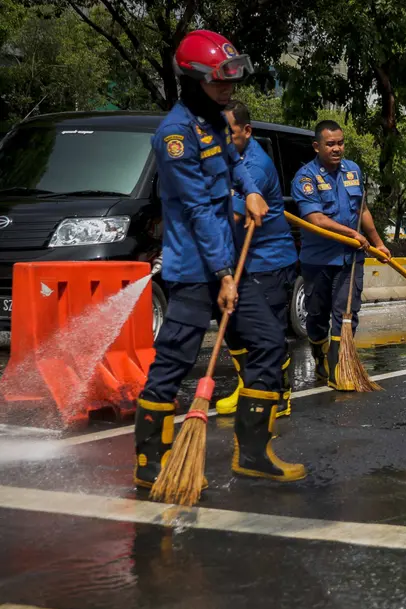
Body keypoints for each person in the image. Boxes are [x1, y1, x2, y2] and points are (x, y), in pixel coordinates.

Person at [134, 29, 305, 489]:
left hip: (229, 263)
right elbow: (197, 212)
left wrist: (250, 190)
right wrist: (225, 274)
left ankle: (252, 453)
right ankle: (151, 466)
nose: (228, 89)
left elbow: (235, 163)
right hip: (195, 270)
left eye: (231, 82)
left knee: (269, 345)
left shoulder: (213, 122)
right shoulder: (174, 136)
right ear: (192, 81)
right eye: (218, 82)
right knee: (173, 361)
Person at [214, 100, 299, 420]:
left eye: (229, 133)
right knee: (234, 329)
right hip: (238, 263)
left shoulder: (255, 167)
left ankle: (279, 395)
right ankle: (247, 386)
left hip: (268, 262)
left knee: (269, 333)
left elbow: (228, 218)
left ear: (247, 131)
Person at [291, 120, 390, 387]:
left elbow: (362, 211)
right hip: (318, 261)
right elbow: (316, 219)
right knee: (316, 317)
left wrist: (378, 243)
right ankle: (320, 356)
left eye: (340, 143)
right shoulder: (306, 178)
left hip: (351, 259)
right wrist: (352, 235)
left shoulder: (353, 171)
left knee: (346, 314)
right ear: (317, 146)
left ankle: (338, 369)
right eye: (330, 144)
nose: (337, 148)